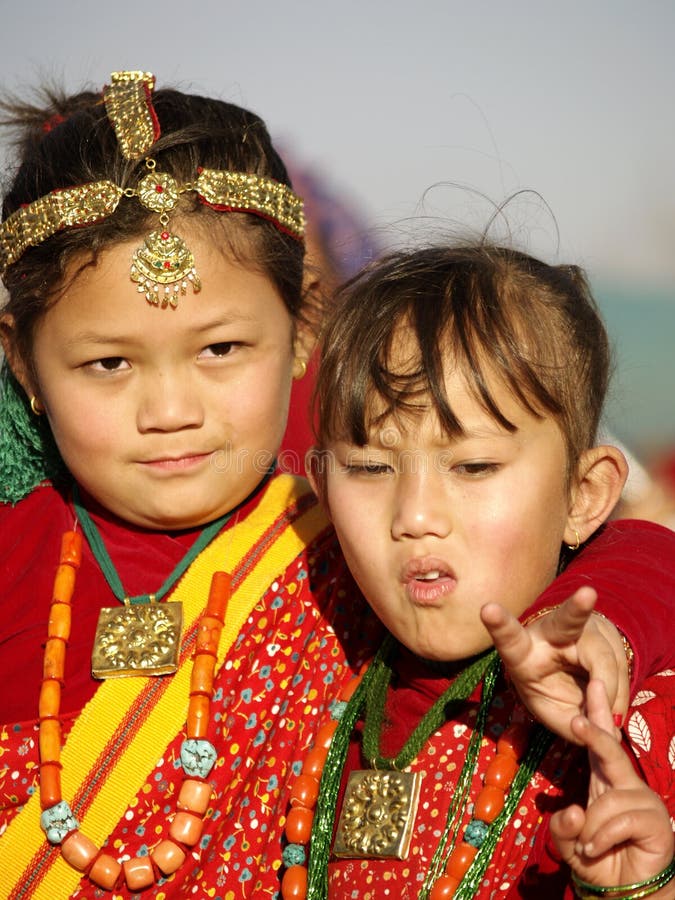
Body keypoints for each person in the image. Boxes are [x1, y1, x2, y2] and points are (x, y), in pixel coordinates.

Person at [0, 70, 672, 900]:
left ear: (304, 325)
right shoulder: (19, 540)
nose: (169, 411)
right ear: (22, 357)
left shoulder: (343, 540)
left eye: (220, 351)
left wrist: (612, 622)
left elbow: (632, 545)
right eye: (108, 363)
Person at [295, 245, 675, 899]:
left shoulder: (623, 725)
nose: (413, 516)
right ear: (323, 487)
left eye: (471, 467)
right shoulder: (300, 644)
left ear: (582, 496)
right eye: (369, 468)